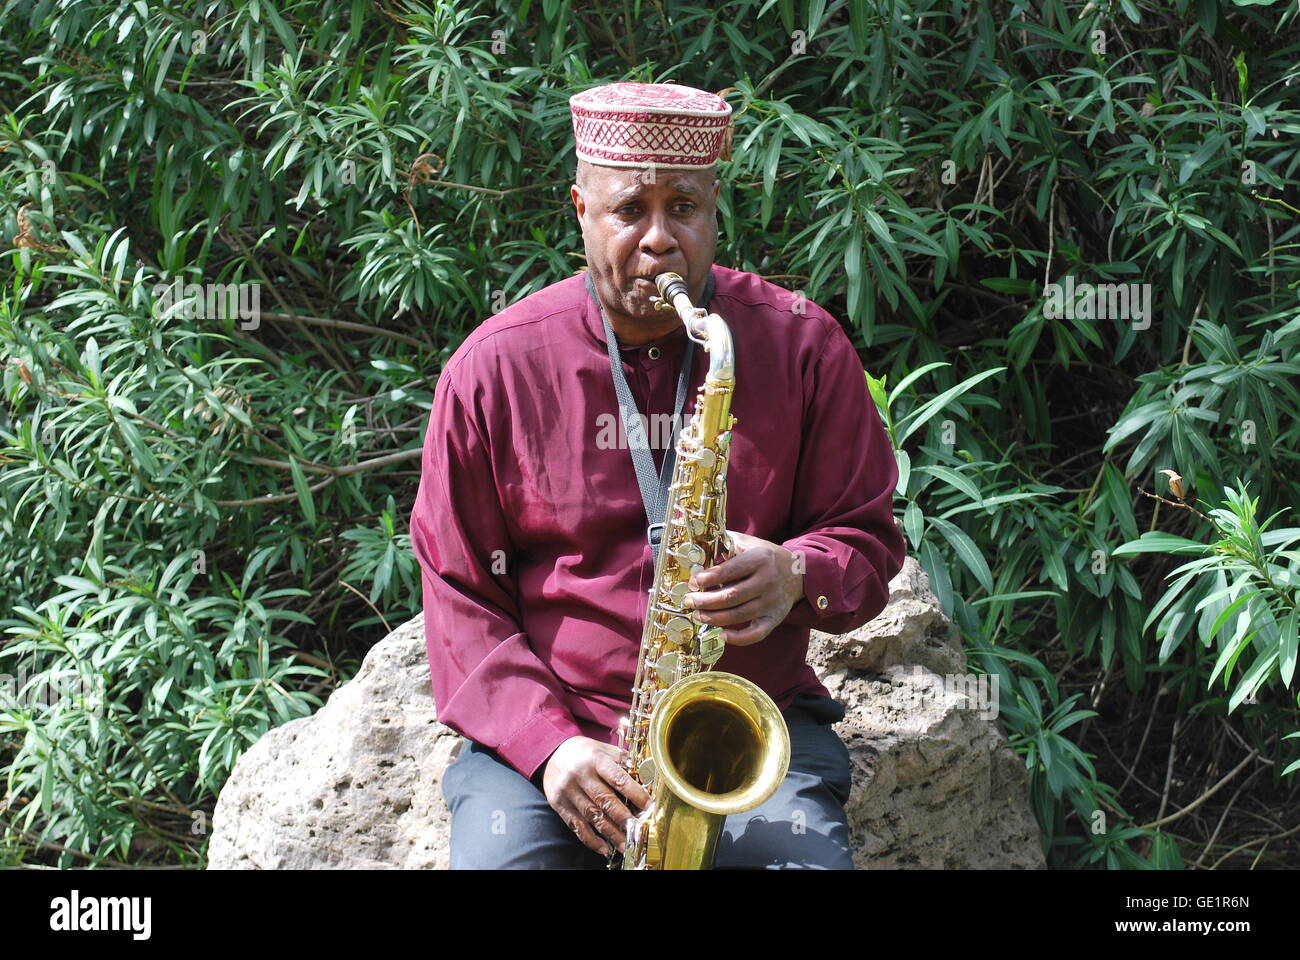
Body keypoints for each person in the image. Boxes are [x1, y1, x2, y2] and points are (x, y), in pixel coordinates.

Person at [408, 80, 906, 869]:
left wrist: (794, 571)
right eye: (630, 209)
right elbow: (459, 588)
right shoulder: (493, 369)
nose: (659, 238)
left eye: (685, 208)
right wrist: (548, 747)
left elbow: (869, 538)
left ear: (716, 212)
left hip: (749, 722)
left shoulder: (802, 346)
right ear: (580, 208)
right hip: (554, 742)